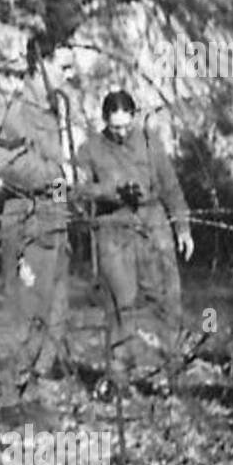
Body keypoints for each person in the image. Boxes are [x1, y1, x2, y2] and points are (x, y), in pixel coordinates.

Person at [76, 90, 193, 389]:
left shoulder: (151, 142)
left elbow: (171, 186)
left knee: (166, 298)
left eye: (127, 126)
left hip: (153, 225)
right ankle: (118, 377)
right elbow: (77, 188)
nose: (122, 132)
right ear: (105, 121)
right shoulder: (90, 148)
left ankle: (170, 372)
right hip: (113, 228)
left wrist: (182, 227)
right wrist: (113, 191)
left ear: (134, 117)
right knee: (120, 303)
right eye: (115, 127)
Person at [0, 34, 77, 413]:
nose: (69, 75)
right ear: (39, 65)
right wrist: (57, 175)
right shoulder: (19, 110)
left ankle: (32, 386)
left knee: (54, 310)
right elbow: (6, 167)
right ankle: (8, 395)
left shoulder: (53, 113)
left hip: (54, 220)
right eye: (63, 66)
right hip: (27, 220)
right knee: (25, 309)